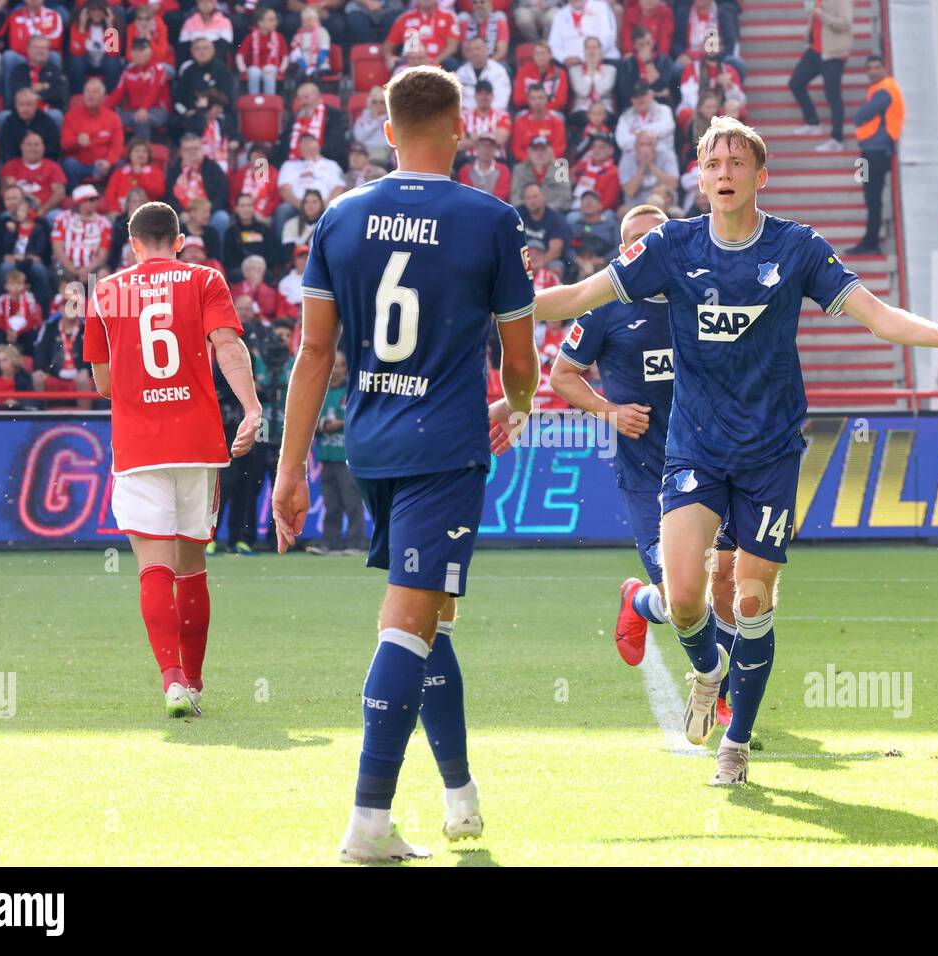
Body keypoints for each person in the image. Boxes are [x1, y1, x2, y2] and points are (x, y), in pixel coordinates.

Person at [530, 115, 938, 785]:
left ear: (759, 177)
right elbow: (574, 297)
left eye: (736, 164)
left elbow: (876, 314)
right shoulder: (670, 245)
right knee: (685, 597)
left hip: (771, 452)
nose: (723, 174)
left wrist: (936, 334)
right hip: (693, 449)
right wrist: (499, 298)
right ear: (699, 176)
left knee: (748, 602)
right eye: (712, 164)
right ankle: (708, 669)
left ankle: (735, 744)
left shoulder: (797, 247)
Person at [271, 66, 539, 862]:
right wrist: (516, 409)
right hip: (444, 450)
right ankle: (368, 822)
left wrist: (291, 469)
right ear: (460, 131)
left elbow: (314, 353)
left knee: (432, 619)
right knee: (406, 627)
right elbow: (518, 360)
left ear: (386, 131)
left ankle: (459, 796)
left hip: (372, 443)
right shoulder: (491, 220)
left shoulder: (341, 219)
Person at [551, 204, 739, 726]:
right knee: (684, 595)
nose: (644, 246)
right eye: (633, 238)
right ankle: (643, 606)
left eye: (653, 236)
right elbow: (563, 376)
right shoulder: (605, 307)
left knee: (723, 579)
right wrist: (609, 411)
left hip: (711, 464)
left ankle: (717, 690)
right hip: (646, 476)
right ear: (622, 250)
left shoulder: (703, 298)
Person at [84, 200, 262, 718]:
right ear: (179, 240)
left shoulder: (107, 290)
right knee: (192, 567)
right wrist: (250, 409)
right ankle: (197, 681)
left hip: (140, 445)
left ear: (134, 243)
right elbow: (227, 346)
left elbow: (102, 382)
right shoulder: (206, 280)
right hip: (197, 442)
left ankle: (171, 682)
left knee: (152, 568)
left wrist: (138, 388)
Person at [306, 351, 370, 556]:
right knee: (330, 502)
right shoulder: (319, 392)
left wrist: (340, 424)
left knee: (352, 502)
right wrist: (317, 426)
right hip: (326, 455)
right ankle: (330, 542)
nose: (335, 370)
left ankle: (356, 543)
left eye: (340, 365)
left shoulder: (353, 391)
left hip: (347, 456)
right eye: (333, 365)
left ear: (345, 369)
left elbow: (365, 418)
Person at [847, 54, 903, 255]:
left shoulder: (884, 89)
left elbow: (862, 116)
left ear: (884, 68)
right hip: (869, 151)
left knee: (873, 196)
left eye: (876, 67)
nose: (873, 71)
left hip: (876, 152)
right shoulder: (879, 89)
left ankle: (871, 241)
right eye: (869, 68)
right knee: (870, 195)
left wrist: (859, 117)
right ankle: (869, 239)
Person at [788, 0, 852, 152]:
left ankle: (837, 139)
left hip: (833, 53)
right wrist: (808, 32)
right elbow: (812, 15)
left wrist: (822, 15)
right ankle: (813, 123)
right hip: (815, 50)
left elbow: (844, 24)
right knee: (796, 83)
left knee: (832, 95)